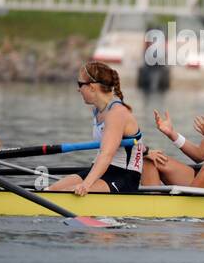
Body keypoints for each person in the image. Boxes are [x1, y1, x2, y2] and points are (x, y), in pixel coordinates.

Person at [48, 62, 144, 196]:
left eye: (80, 84)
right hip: (101, 169)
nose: (78, 89)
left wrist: (85, 185)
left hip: (123, 176)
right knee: (51, 191)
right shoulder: (97, 110)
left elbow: (107, 154)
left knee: (65, 194)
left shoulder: (116, 113)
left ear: (92, 87)